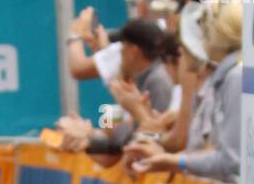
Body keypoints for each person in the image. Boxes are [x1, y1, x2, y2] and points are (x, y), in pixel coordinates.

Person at [126, 0, 242, 184]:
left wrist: (138, 113)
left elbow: (179, 140)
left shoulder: (159, 82)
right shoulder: (223, 80)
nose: (183, 49)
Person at [59, 18, 174, 161]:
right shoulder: (141, 77)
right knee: (107, 116)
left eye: (123, 47)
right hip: (136, 159)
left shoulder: (158, 81)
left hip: (151, 168)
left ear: (134, 51)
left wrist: (89, 135)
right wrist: (88, 137)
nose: (119, 52)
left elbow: (150, 139)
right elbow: (117, 143)